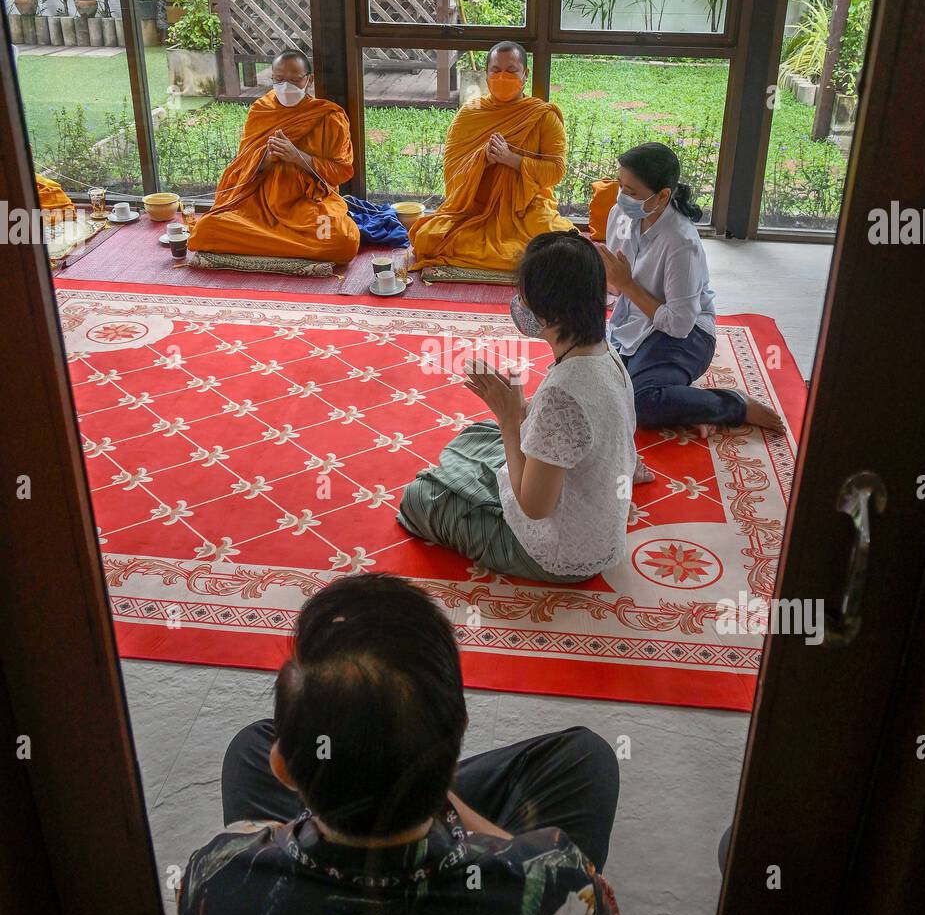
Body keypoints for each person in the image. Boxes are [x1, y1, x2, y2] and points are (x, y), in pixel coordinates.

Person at [173, 574, 621, 915]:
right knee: (587, 759)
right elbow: (563, 899)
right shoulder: (567, 895)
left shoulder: (213, 878)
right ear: (460, 729)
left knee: (250, 742)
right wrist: (430, 785)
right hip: (444, 828)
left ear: (284, 768)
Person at [399, 232, 638, 582]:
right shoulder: (607, 354)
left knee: (419, 498)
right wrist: (520, 413)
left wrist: (510, 419)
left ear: (549, 312)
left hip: (561, 554)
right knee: (478, 435)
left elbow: (534, 507)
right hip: (599, 525)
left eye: (524, 299)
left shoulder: (564, 393)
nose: (519, 306)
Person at [596, 143, 784, 435]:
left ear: (662, 196)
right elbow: (616, 287)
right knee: (597, 382)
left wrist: (626, 284)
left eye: (631, 192)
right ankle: (685, 406)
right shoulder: (620, 216)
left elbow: (679, 324)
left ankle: (734, 405)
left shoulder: (680, 242)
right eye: (621, 186)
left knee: (642, 401)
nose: (622, 197)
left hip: (687, 335)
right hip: (636, 323)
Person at [409, 41, 574, 274]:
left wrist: (511, 159)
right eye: (496, 71)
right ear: (486, 75)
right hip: (476, 208)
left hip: (525, 208)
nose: (502, 77)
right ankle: (528, 261)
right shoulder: (470, 114)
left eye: (511, 71)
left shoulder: (543, 116)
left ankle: (528, 256)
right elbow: (452, 175)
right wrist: (482, 159)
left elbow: (556, 171)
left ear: (525, 74)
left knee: (562, 243)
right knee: (427, 238)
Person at [187, 49, 359, 263]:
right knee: (207, 229)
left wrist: (299, 157)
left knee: (341, 240)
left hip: (306, 206)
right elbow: (240, 167)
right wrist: (265, 158)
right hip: (257, 204)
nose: (286, 86)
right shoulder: (261, 110)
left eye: (295, 80)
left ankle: (265, 244)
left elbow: (341, 172)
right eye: (279, 79)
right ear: (272, 79)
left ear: (309, 79)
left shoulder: (329, 116)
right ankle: (292, 246)